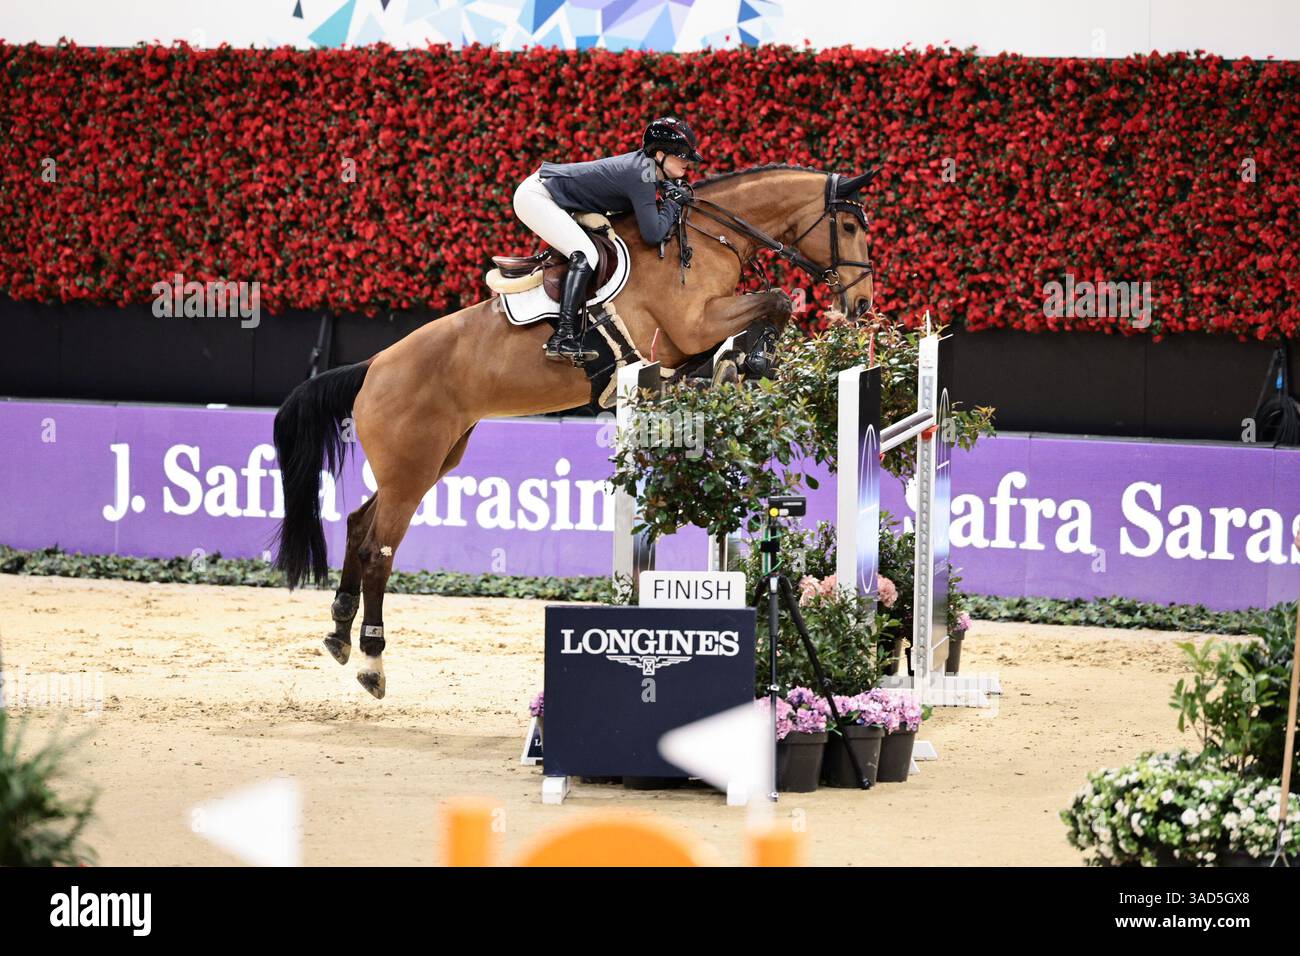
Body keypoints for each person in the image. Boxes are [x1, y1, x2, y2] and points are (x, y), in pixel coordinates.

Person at [512, 117, 702, 363]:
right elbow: (653, 234)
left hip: (547, 192)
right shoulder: (642, 174)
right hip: (536, 197)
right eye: (681, 155)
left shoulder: (647, 169)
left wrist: (669, 195)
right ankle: (562, 337)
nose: (687, 162)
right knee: (586, 253)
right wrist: (673, 204)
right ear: (659, 154)